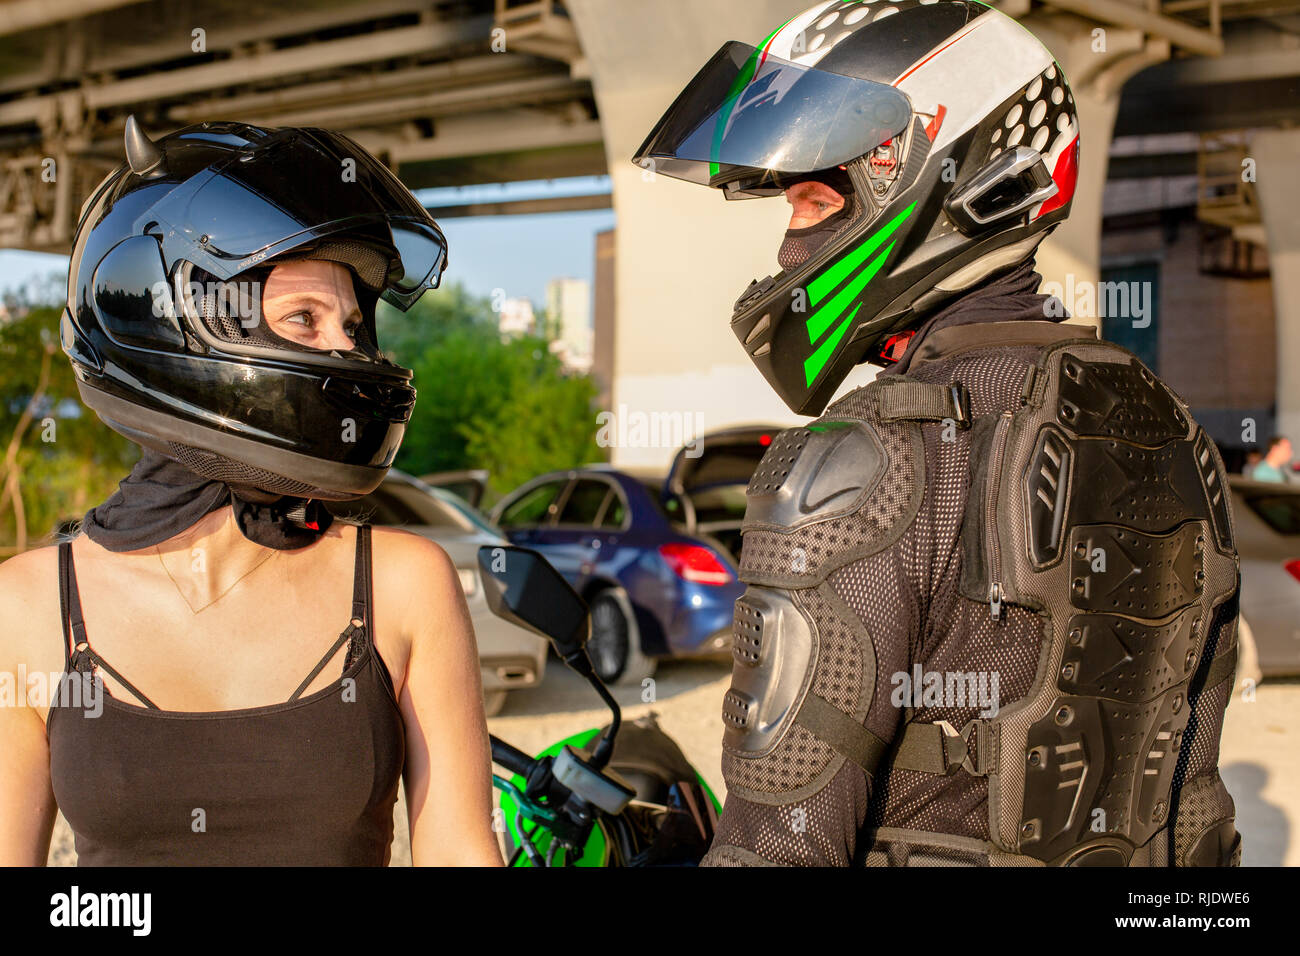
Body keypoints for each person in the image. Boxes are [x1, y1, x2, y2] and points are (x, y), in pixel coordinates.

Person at [636, 0, 1243, 866]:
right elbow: (1199, 819)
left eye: (811, 204)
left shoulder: (862, 462)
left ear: (945, 176)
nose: (785, 251)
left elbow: (779, 846)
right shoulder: (1173, 434)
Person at [0, 118, 503, 866]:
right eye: (305, 318)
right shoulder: (31, 603)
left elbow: (461, 852)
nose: (347, 348)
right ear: (182, 322)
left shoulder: (402, 583)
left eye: (353, 326)